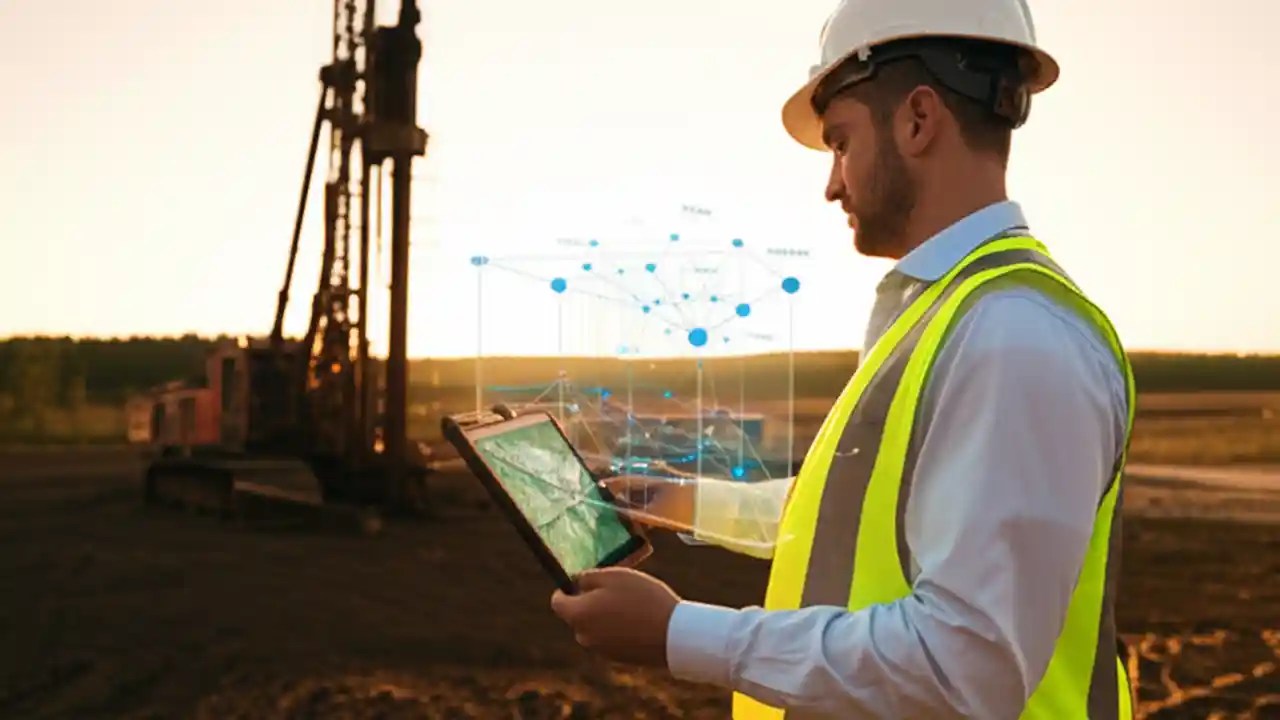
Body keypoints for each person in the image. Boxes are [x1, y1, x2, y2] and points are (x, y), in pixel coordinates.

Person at [550, 0, 1137, 717]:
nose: (832, 184)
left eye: (840, 141)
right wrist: (668, 498)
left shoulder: (1014, 335)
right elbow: (844, 516)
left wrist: (677, 633)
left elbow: (962, 667)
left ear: (918, 120)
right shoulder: (950, 313)